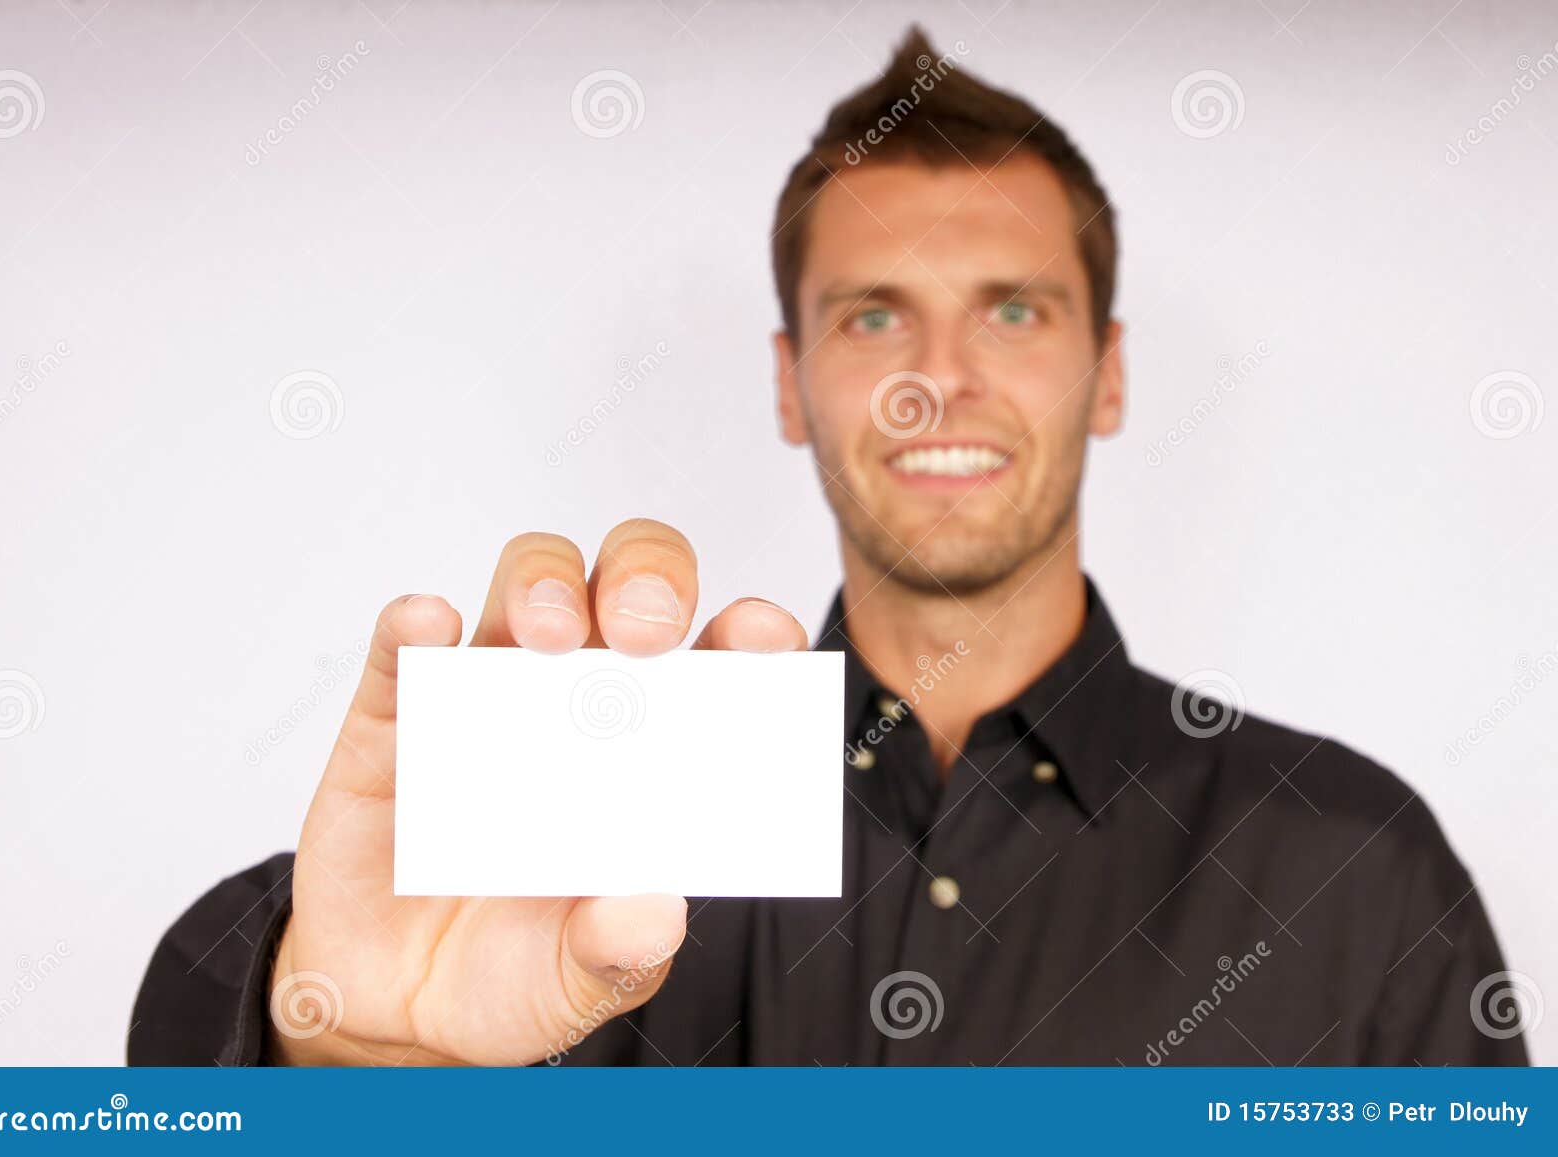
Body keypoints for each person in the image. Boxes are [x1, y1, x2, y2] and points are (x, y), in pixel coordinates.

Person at [129, 27, 1527, 1067]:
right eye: (872, 317)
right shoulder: (569, 832)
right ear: (791, 382)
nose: (937, 379)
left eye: (1013, 312)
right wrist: (321, 1042)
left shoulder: (1354, 867)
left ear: (1107, 373)